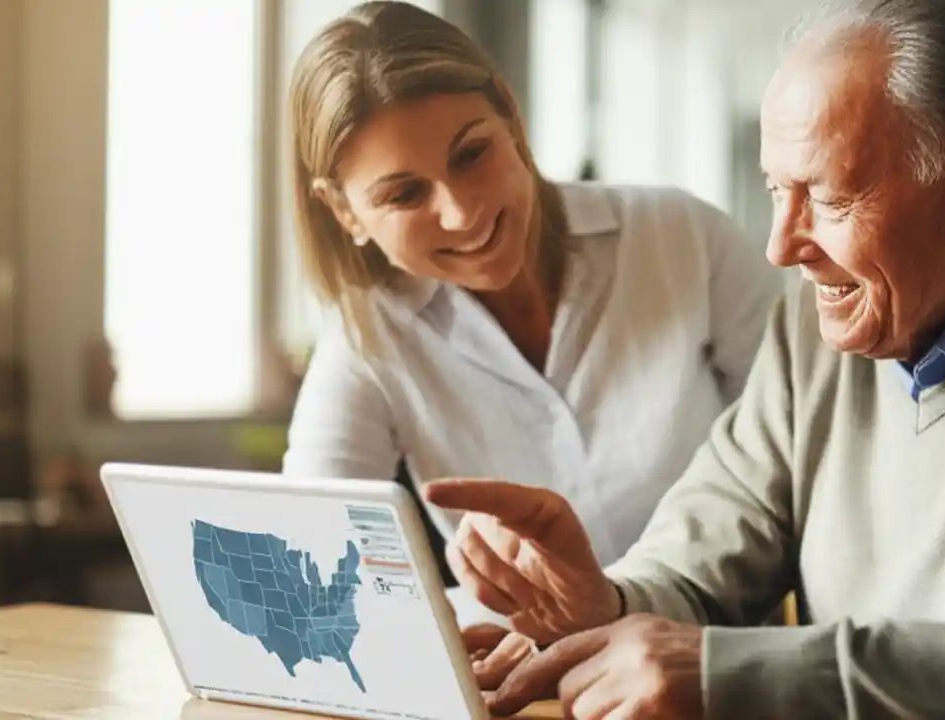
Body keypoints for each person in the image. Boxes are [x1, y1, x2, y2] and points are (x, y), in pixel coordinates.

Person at [424, 0, 945, 717]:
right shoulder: (819, 328)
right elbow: (699, 568)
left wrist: (745, 679)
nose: (781, 247)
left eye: (831, 199)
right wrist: (602, 602)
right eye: (778, 190)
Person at [280, 0, 780, 633]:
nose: (462, 214)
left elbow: (803, 459)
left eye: (472, 154)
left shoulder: (680, 237)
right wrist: (493, 617)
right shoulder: (366, 339)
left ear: (510, 117)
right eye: (405, 194)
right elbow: (310, 563)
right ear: (344, 211)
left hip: (714, 659)